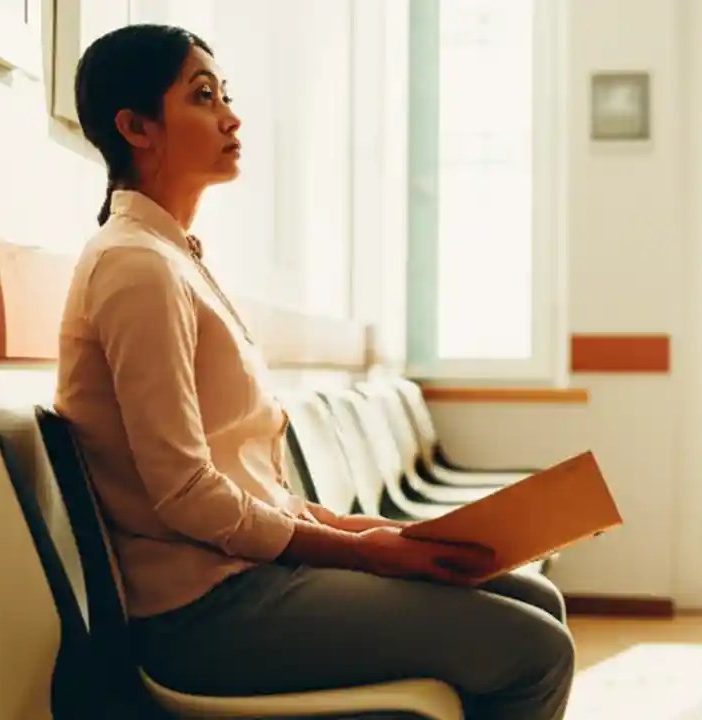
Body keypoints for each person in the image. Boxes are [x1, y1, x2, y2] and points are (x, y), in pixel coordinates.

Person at [53, 23, 574, 720]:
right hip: (201, 614)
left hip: (246, 574)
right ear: (136, 126)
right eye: (203, 97)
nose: (231, 116)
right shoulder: (136, 266)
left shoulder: (172, 259)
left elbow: (242, 480)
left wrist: (355, 530)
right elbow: (185, 495)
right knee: (534, 649)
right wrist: (370, 554)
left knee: (537, 599)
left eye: (225, 95)